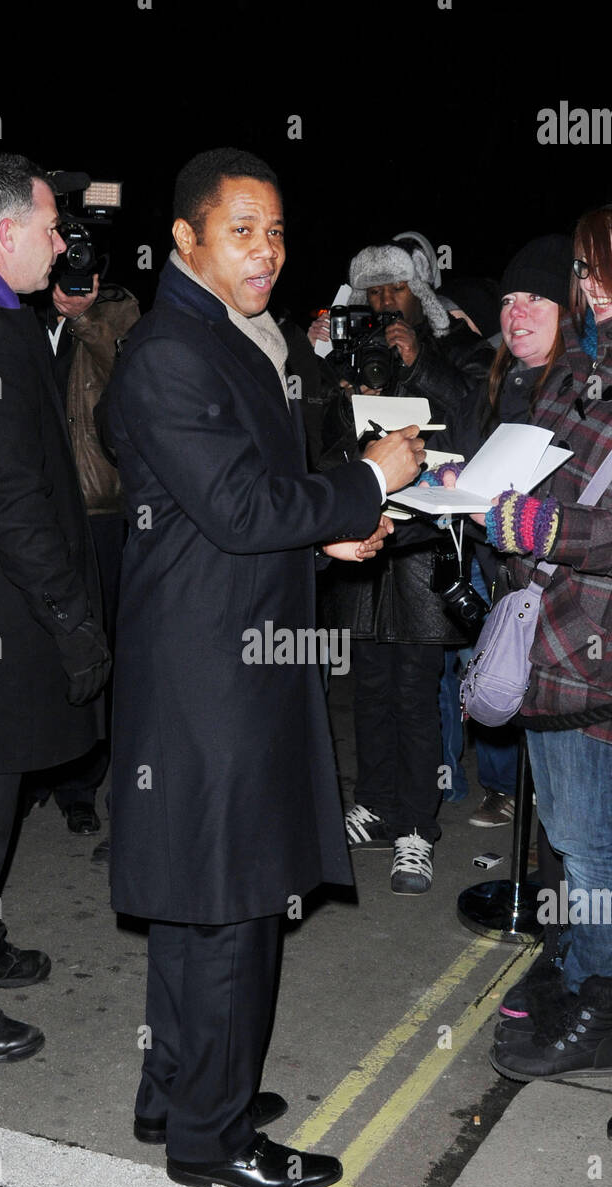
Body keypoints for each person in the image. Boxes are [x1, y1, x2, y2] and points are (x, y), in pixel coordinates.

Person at [104, 147, 424, 1187]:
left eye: (277, 230)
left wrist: (323, 534)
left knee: (202, 902)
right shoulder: (171, 350)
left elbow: (237, 497)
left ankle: (179, 1089)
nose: (267, 250)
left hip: (235, 649)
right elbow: (239, 508)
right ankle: (215, 1135)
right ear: (187, 239)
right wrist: (365, 481)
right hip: (212, 674)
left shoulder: (237, 339)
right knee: (233, 904)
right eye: (242, 229)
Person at [444, 209, 612, 1080]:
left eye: (589, 272)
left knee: (588, 846)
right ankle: (583, 969)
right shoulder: (582, 372)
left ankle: (594, 992)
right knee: (581, 841)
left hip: (589, 641)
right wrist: (465, 487)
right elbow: (542, 479)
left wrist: (535, 521)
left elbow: (569, 513)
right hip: (558, 633)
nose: (583, 289)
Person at [0, 153, 110, 1062]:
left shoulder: (7, 316)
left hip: (6, 604)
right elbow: (14, 494)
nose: (62, 242)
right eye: (51, 225)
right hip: (2, 610)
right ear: (5, 232)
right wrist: (70, 615)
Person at [313, 239, 493, 893]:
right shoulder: (350, 355)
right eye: (374, 294)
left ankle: (417, 826)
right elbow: (324, 443)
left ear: (420, 294)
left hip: (425, 546)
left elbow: (478, 427)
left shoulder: (458, 350)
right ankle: (377, 803)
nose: (386, 304)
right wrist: (334, 377)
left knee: (417, 694)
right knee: (368, 687)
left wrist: (419, 367)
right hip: (365, 543)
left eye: (397, 291)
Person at [437, 236, 574, 829]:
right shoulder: (498, 382)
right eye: (510, 300)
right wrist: (446, 473)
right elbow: (468, 459)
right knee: (491, 693)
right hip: (495, 579)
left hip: (562, 605)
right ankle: (515, 803)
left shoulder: (584, 390)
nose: (517, 313)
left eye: (537, 300)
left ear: (571, 309)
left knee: (571, 804)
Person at [25, 266, 140, 849]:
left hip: (99, 511)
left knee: (97, 643)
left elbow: (130, 384)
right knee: (36, 642)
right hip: (31, 507)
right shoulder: (13, 306)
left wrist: (85, 316)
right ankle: (36, 768)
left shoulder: (115, 310)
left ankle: (81, 784)